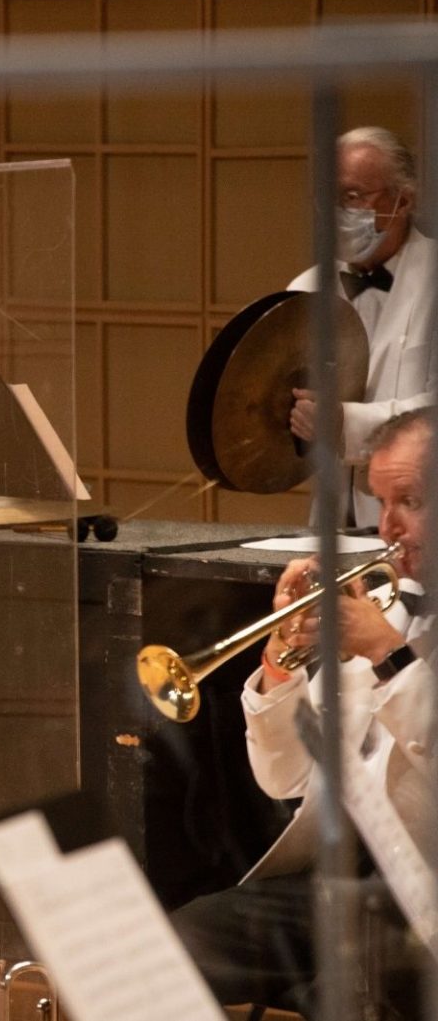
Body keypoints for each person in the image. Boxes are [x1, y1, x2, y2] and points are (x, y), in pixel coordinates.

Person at [171, 407, 438, 1017]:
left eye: (413, 501)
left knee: (346, 998)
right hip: (346, 885)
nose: (388, 528)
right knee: (177, 943)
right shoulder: (384, 606)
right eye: (380, 502)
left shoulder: (380, 633)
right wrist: (280, 667)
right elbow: (283, 779)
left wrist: (388, 657)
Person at [288, 126, 437, 526]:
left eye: (352, 197)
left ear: (403, 200)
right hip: (334, 521)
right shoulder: (305, 291)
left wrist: (345, 424)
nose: (337, 211)